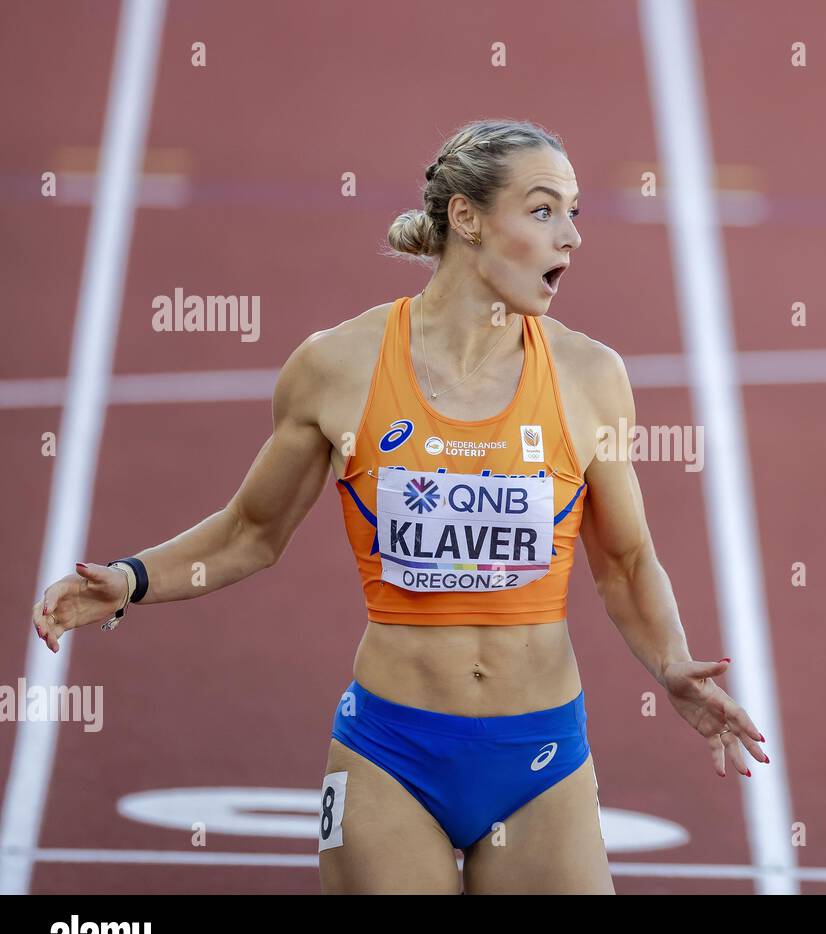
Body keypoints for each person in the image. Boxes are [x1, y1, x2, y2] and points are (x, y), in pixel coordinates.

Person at [31, 118, 768, 894]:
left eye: (575, 213)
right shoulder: (338, 366)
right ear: (467, 219)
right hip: (392, 753)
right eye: (545, 210)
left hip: (540, 757)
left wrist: (671, 662)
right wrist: (130, 579)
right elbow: (251, 531)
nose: (572, 238)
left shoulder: (591, 377)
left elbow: (624, 561)